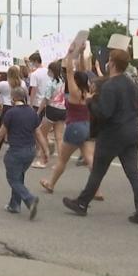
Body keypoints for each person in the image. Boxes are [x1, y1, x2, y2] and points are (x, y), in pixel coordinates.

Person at [62, 48, 138, 226]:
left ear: (112, 63)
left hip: (113, 134)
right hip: (132, 131)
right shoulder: (130, 83)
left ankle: (82, 203)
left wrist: (90, 101)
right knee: (133, 173)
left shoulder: (111, 85)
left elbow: (104, 113)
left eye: (109, 60)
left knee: (98, 170)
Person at [40, 55, 99, 198]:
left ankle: (51, 183)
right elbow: (83, 73)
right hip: (87, 126)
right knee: (90, 159)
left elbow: (70, 72)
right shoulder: (88, 93)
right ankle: (97, 190)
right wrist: (82, 52)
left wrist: (72, 54)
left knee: (62, 160)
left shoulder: (75, 93)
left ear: (76, 81)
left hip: (75, 127)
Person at [0, 86, 42, 219]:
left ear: (13, 98)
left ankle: (30, 199)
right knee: (19, 175)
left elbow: (1, 133)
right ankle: (14, 205)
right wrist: (45, 150)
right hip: (30, 150)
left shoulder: (11, 113)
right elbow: (38, 133)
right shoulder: (32, 112)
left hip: (16, 150)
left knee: (13, 178)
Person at [37, 60, 66, 168]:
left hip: (52, 109)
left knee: (42, 134)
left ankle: (43, 160)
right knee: (59, 137)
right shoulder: (63, 81)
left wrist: (38, 111)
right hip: (62, 109)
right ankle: (60, 162)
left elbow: (45, 99)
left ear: (51, 70)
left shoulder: (51, 83)